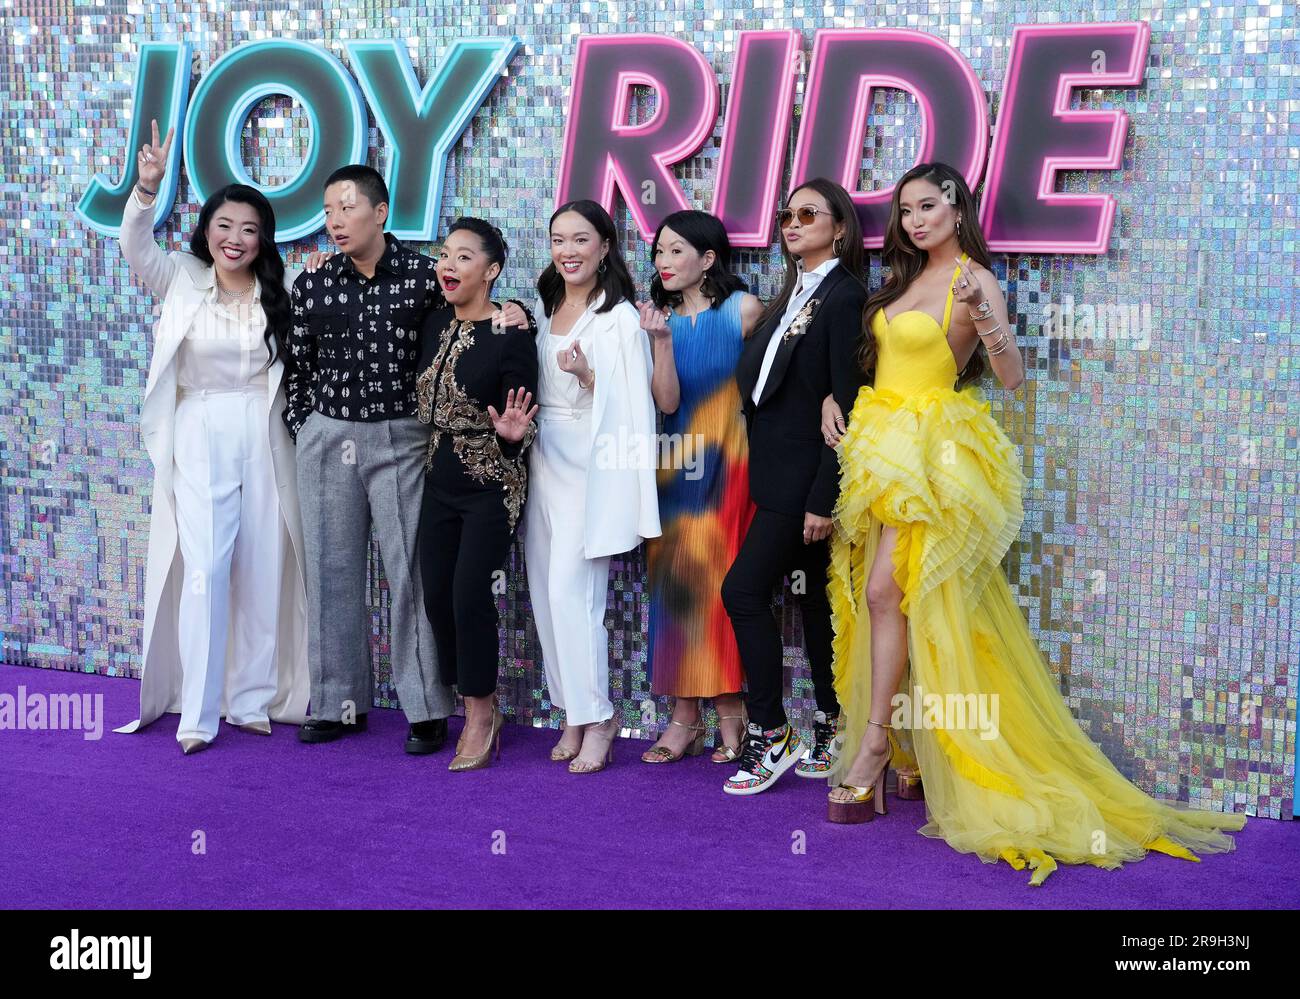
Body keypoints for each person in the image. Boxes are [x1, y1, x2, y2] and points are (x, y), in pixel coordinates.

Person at [822, 161, 1246, 883]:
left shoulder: (975, 280)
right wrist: (841, 402)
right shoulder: (898, 284)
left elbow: (1011, 375)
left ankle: (876, 747)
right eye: (906, 210)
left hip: (936, 454)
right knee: (891, 597)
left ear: (958, 211)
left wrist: (985, 317)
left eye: (929, 206)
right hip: (881, 444)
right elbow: (886, 364)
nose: (916, 219)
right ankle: (907, 754)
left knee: (894, 594)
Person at [283, 165, 526, 754]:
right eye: (329, 210)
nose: (335, 221)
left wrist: (520, 308)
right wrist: (305, 424)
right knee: (330, 572)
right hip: (328, 437)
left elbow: (475, 310)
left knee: (413, 576)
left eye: (347, 208)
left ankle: (425, 709)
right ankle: (340, 703)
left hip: (402, 439)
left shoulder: (423, 276)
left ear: (381, 211)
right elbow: (298, 362)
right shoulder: (312, 281)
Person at [115, 120, 309, 753]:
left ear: (263, 240)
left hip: (263, 430)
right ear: (206, 231)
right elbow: (135, 247)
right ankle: (196, 713)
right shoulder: (180, 278)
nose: (235, 238)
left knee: (261, 562)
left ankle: (249, 700)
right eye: (225, 226)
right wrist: (146, 191)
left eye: (249, 229)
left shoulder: (276, 294)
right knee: (205, 568)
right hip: (199, 429)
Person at [720, 178, 869, 795]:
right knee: (811, 603)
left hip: (803, 483)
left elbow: (849, 403)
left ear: (839, 228)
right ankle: (832, 724)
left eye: (809, 214)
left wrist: (822, 497)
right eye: (787, 214)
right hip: (773, 473)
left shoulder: (843, 295)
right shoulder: (793, 292)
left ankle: (770, 730)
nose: (793, 222)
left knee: (743, 592)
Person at [525, 199, 661, 774]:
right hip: (541, 456)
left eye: (581, 240)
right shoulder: (545, 303)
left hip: (590, 463)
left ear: (605, 247)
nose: (568, 251)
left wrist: (587, 376)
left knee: (573, 596)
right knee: (542, 594)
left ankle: (601, 714)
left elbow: (639, 401)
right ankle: (572, 711)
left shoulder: (620, 317)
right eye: (559, 239)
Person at [638, 210, 762, 764]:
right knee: (676, 586)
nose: (663, 261)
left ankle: (733, 710)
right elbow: (666, 403)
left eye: (675, 251)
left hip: (734, 464)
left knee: (724, 583)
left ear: (708, 259)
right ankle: (683, 718)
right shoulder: (654, 319)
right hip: (674, 466)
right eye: (659, 251)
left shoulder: (745, 310)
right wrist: (661, 342)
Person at [415, 218, 538, 771]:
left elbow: (523, 415)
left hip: (491, 482)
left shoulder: (512, 332)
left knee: (470, 596)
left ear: (490, 272)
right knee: (438, 595)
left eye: (465, 257)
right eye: (445, 255)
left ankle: (482, 714)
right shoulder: (434, 321)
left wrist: (514, 438)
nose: (449, 265)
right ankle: (466, 696)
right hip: (437, 480)